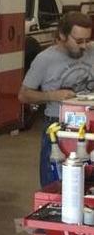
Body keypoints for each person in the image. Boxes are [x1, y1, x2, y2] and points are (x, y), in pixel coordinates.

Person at [18, 11, 94, 188]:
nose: (84, 46)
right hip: (57, 127)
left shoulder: (91, 50)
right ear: (62, 35)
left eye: (87, 40)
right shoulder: (45, 60)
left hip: (89, 124)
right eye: (78, 41)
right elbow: (24, 95)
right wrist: (52, 95)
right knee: (55, 183)